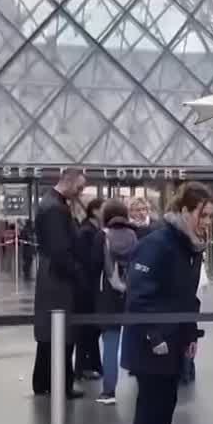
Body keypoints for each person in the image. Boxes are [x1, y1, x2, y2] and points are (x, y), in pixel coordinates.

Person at [122, 182, 213, 424]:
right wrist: (154, 336)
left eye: (210, 217)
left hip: (174, 338)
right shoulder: (158, 243)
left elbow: (188, 298)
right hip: (153, 340)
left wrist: (190, 334)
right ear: (185, 210)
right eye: (203, 215)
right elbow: (139, 295)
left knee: (165, 404)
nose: (206, 222)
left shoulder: (190, 245)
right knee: (150, 406)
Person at [31, 167, 86, 396]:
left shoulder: (51, 203)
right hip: (58, 277)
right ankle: (60, 383)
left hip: (51, 274)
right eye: (80, 187)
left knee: (49, 332)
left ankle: (43, 380)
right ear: (69, 181)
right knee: (61, 332)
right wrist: (78, 274)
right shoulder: (56, 208)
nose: (81, 193)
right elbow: (60, 249)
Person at [95, 200, 139, 405]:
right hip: (131, 295)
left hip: (108, 295)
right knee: (136, 341)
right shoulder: (134, 236)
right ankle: (141, 386)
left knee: (110, 345)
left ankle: (108, 392)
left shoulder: (102, 236)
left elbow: (96, 266)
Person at [74, 198, 106, 379]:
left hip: (91, 286)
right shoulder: (87, 232)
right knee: (87, 329)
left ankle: (92, 364)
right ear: (94, 211)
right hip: (87, 287)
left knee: (92, 328)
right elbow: (88, 261)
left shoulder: (94, 230)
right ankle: (84, 366)